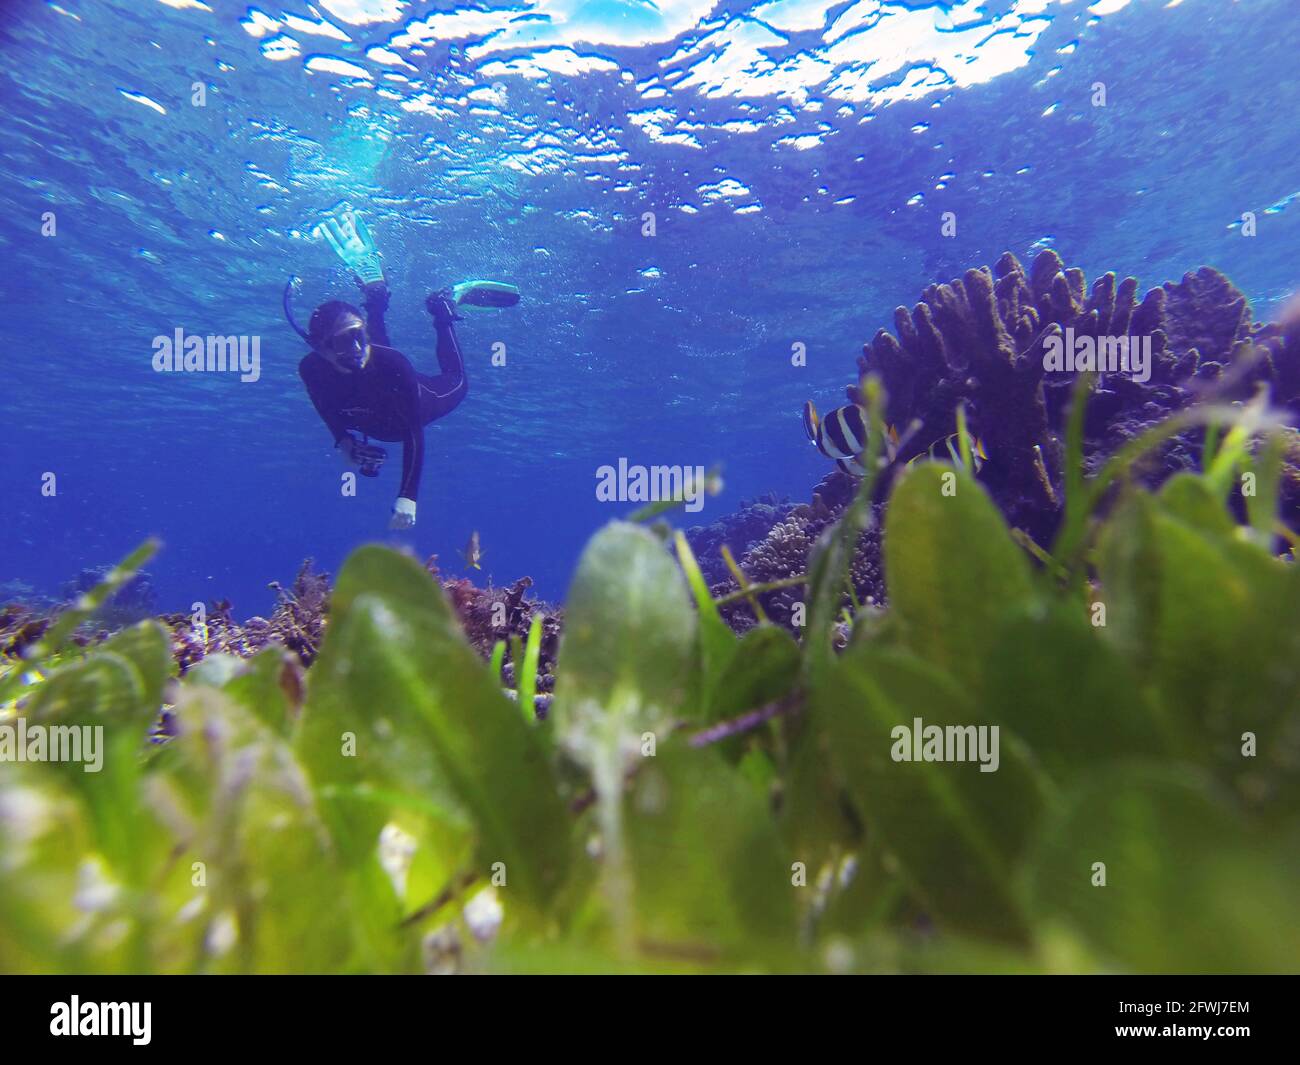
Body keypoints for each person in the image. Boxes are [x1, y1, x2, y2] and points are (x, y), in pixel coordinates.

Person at [292, 210, 469, 530]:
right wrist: (343, 442)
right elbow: (325, 408)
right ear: (320, 348)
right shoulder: (311, 369)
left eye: (359, 335)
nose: (356, 348)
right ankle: (376, 295)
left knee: (458, 382)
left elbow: (414, 433)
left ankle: (442, 308)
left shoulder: (392, 364)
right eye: (343, 342)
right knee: (377, 356)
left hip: (415, 400)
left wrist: (407, 498)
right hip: (378, 408)